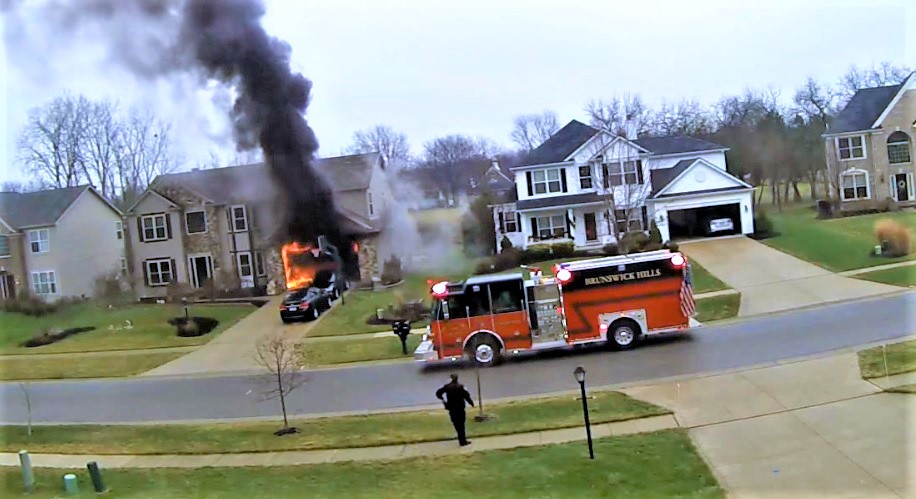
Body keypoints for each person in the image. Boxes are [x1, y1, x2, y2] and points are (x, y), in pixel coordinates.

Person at [435, 373, 475, 446]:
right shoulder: (461, 387)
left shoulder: (447, 387)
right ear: (457, 379)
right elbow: (467, 396)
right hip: (460, 408)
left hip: (452, 408)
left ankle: (461, 439)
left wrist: (443, 400)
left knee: (456, 424)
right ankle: (463, 440)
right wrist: (471, 403)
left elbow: (438, 393)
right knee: (461, 425)